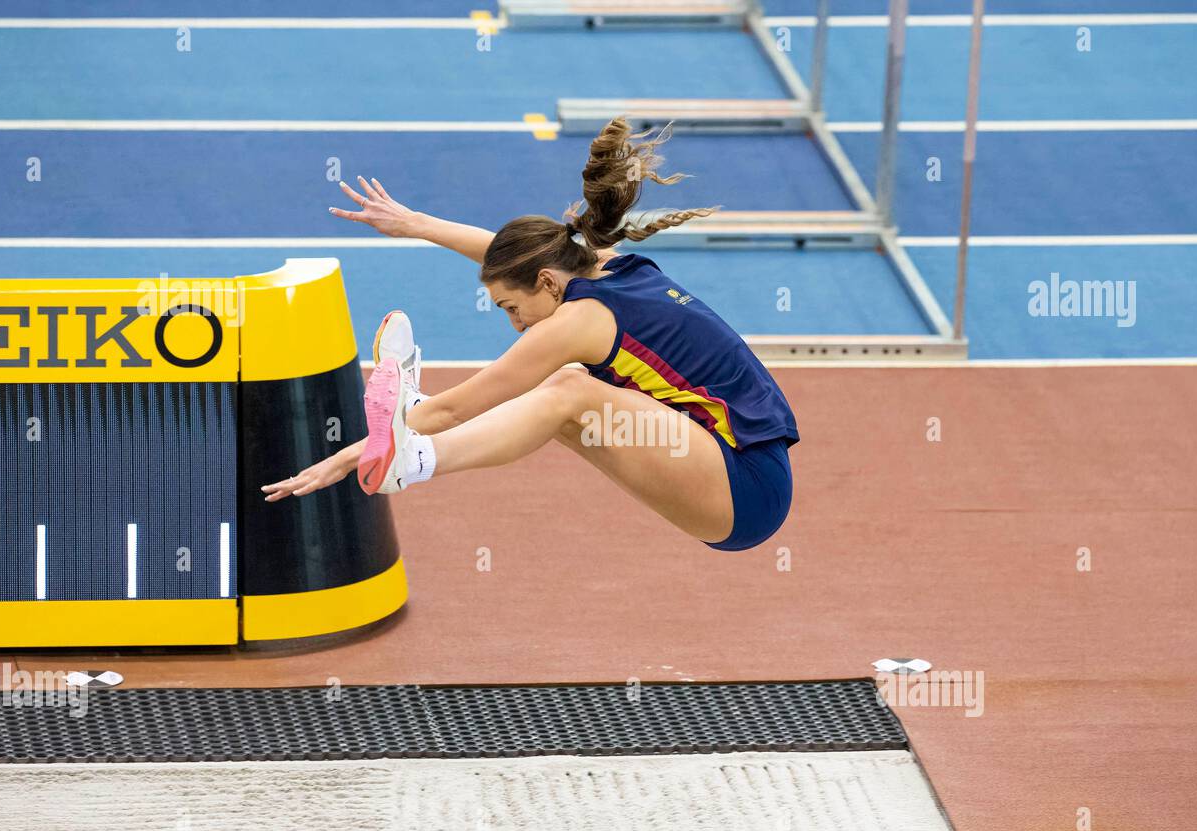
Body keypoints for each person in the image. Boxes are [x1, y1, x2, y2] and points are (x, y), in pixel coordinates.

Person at [262, 118, 799, 552]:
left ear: (546, 283)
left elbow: (455, 411)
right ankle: (409, 437)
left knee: (570, 390)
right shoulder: (602, 266)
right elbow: (513, 253)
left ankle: (413, 459)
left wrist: (342, 458)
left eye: (512, 308)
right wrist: (418, 225)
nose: (515, 322)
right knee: (560, 397)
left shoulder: (577, 322)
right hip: (711, 464)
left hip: (746, 485)